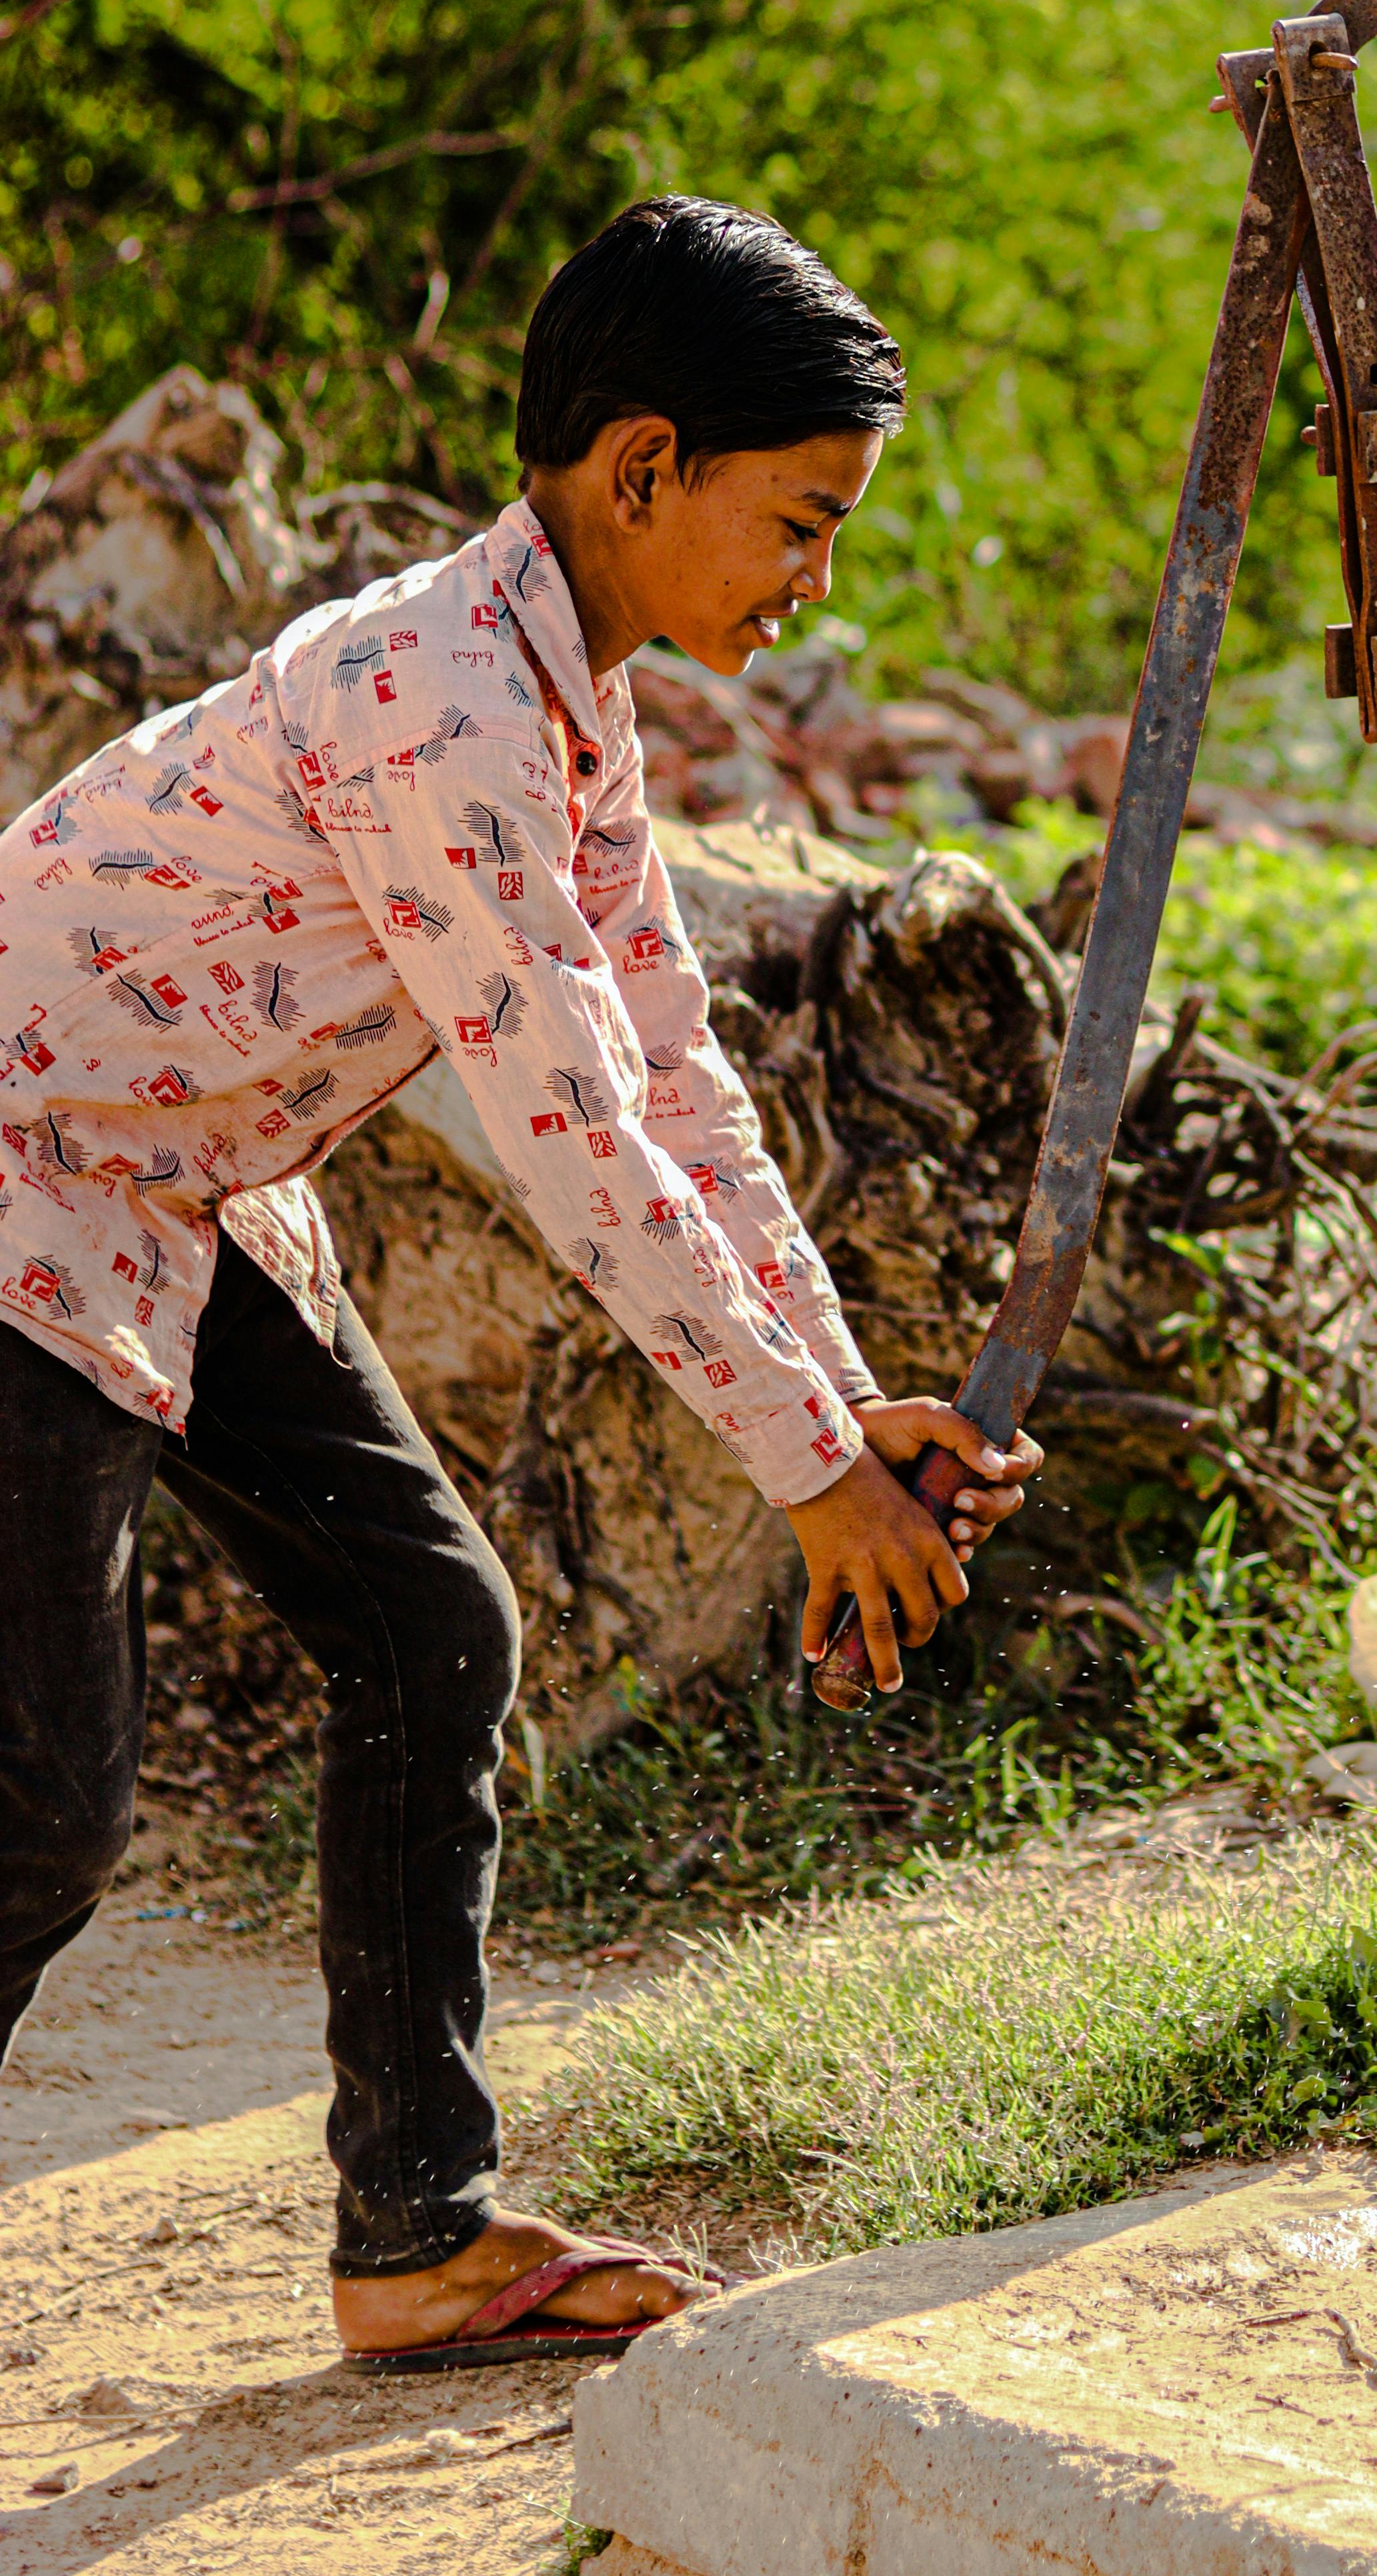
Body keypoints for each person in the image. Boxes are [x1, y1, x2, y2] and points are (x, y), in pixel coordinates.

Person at [0, 199, 1037, 2367]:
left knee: (425, 1620)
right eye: (802, 522)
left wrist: (841, 1419)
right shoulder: (444, 705)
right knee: (37, 1804)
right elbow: (575, 1147)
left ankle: (416, 2232)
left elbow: (677, 1085)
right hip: (21, 1182)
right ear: (643, 468)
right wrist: (802, 1472)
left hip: (177, 1189)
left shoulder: (567, 702)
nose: (816, 580)